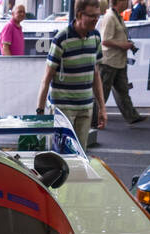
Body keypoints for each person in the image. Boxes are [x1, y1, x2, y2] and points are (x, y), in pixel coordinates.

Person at [37, 0, 106, 149]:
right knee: (62, 154)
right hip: (63, 108)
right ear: (80, 15)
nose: (96, 19)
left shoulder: (95, 37)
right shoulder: (62, 38)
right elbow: (47, 78)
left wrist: (102, 107)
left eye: (98, 15)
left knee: (81, 154)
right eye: (92, 16)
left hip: (86, 106)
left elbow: (96, 75)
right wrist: (40, 111)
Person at [98, 0, 142, 124]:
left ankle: (132, 116)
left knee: (122, 91)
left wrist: (126, 44)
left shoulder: (117, 16)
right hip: (109, 61)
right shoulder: (110, 17)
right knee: (102, 93)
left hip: (118, 61)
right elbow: (105, 41)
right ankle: (93, 118)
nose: (128, 2)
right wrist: (123, 45)